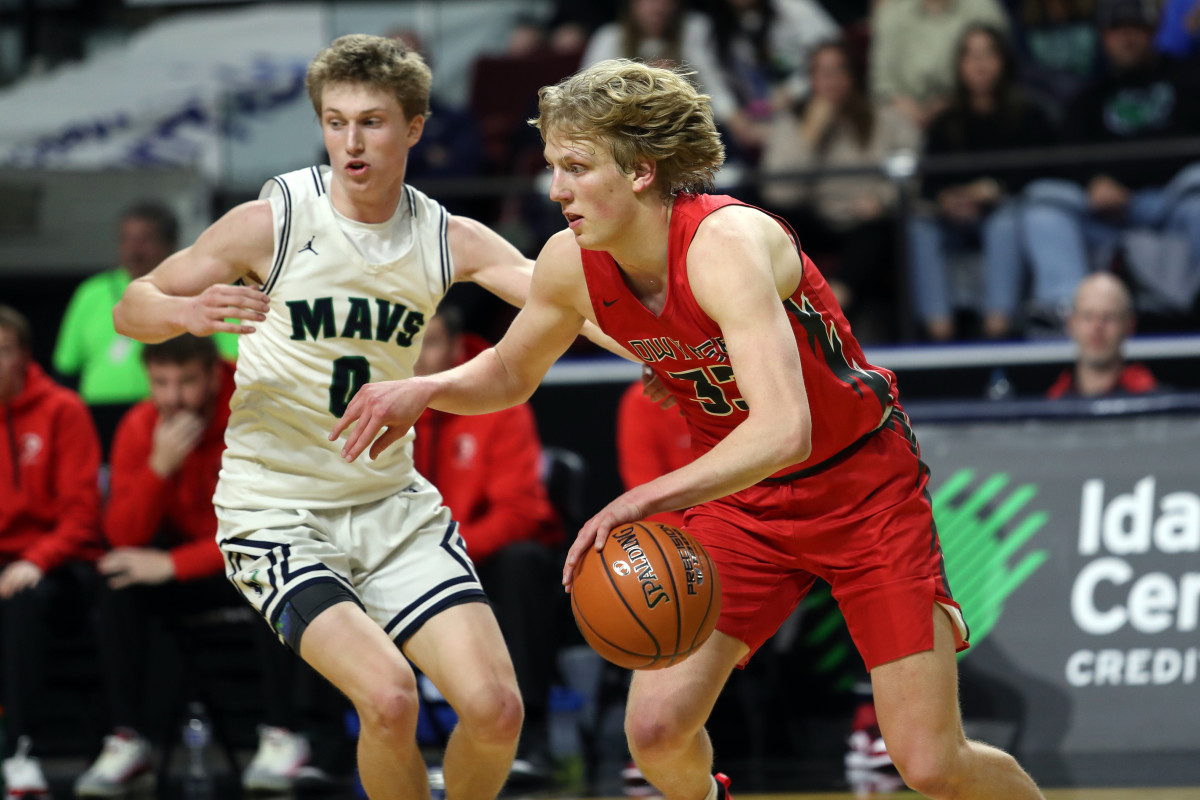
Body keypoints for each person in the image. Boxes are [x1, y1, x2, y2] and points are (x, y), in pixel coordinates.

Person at [330, 58, 1048, 800]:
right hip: (746, 506)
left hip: (861, 489)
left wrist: (639, 500)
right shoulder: (571, 264)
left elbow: (783, 431)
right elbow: (511, 373)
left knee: (930, 763)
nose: (556, 190)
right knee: (657, 731)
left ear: (641, 171)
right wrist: (426, 388)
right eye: (552, 166)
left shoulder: (726, 245)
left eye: (576, 167)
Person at [109, 34, 588, 800]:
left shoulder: (443, 236)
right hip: (276, 509)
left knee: (497, 710)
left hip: (388, 506)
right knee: (390, 698)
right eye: (335, 122)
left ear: (416, 127)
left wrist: (666, 351)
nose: (351, 142)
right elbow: (132, 307)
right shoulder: (275, 218)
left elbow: (562, 296)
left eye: (371, 121)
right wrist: (185, 310)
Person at [73, 335, 314, 796]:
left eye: (185, 382)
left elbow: (267, 526)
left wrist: (173, 564)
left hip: (255, 553)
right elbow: (123, 535)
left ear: (211, 374)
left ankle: (286, 734)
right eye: (160, 382)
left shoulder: (254, 413)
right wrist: (158, 468)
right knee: (117, 578)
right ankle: (128, 740)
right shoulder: (142, 425)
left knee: (272, 573)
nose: (173, 397)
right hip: (195, 563)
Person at [410, 306, 563, 787]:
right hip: (398, 560)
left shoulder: (500, 399)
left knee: (524, 563)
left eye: (430, 342)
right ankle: (318, 745)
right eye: (407, 343)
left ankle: (528, 738)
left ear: (457, 348)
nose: (417, 358)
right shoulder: (373, 402)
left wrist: (444, 552)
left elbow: (519, 512)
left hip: (480, 559)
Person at [1020, 0, 1200, 326]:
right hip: (1105, 213)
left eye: (1135, 29)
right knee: (1042, 203)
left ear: (1153, 31)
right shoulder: (1090, 95)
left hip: (1170, 203)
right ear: (1103, 37)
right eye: (1117, 31)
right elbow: (1064, 155)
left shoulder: (1188, 79)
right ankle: (1068, 312)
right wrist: (1093, 181)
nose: (1126, 39)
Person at [0, 305, 102, 799]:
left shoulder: (64, 410)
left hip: (62, 564)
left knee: (22, 603)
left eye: (1, 352)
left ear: (24, 357)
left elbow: (81, 516)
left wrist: (35, 561)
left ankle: (18, 752)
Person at [760, 39, 919, 341]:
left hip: (866, 217)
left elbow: (909, 171)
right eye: (821, 73)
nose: (830, 81)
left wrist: (881, 200)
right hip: (815, 217)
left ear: (853, 76)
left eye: (838, 72)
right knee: (776, 223)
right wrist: (811, 134)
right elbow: (778, 193)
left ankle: (831, 307)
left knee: (878, 232)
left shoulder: (885, 118)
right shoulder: (791, 123)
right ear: (811, 79)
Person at [907, 24, 1057, 341]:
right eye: (971, 56)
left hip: (1004, 211)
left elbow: (1039, 171)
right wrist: (947, 199)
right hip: (953, 219)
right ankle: (938, 332)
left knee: (1003, 224)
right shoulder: (945, 121)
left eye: (988, 54)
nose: (980, 64)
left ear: (1004, 61)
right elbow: (929, 183)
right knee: (920, 225)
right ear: (960, 65)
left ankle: (997, 328)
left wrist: (990, 191)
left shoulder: (1029, 114)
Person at [52, 201, 237, 406]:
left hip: (174, 408)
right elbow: (66, 368)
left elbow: (228, 364)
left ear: (171, 244)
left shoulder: (202, 291)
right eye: (126, 239)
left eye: (145, 240)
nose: (134, 249)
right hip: (97, 412)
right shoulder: (91, 292)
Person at [870, 0, 1010, 129]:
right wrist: (903, 106)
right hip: (904, 116)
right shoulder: (891, 14)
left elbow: (1004, 67)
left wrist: (952, 102)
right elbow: (881, 82)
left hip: (966, 110)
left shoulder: (984, 9)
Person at [1045, 272, 1158, 398]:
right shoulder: (1055, 399)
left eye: (1109, 317)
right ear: (1071, 323)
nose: (1097, 327)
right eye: (1088, 316)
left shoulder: (1149, 398)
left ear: (1129, 325)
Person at [616, 374, 693, 529]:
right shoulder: (643, 398)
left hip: (734, 520)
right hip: (682, 529)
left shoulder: (742, 392)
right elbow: (645, 500)